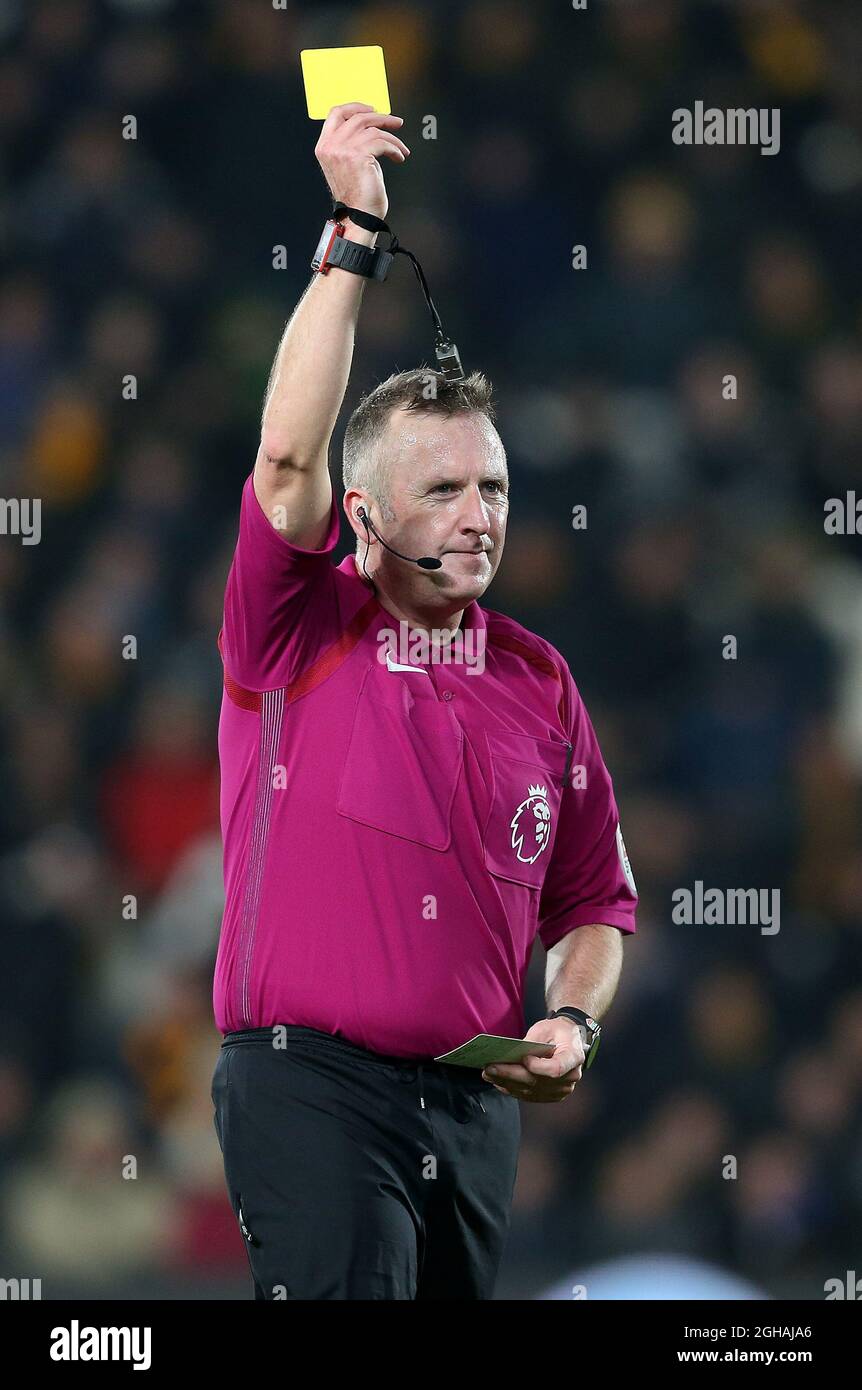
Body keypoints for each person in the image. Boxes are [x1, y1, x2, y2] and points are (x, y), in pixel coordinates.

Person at [210, 103, 638, 1301]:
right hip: (311, 1089)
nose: (478, 514)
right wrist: (353, 230)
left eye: (493, 485)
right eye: (443, 488)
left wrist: (574, 1023)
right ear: (364, 516)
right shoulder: (296, 626)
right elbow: (287, 462)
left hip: (471, 1117)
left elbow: (595, 900)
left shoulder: (539, 679)